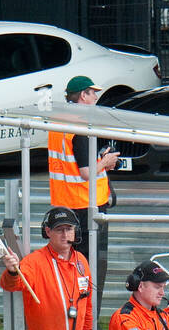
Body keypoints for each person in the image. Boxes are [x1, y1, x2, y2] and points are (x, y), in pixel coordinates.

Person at [48, 75, 119, 301]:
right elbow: (86, 172)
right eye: (92, 92)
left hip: (65, 205)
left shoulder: (58, 121)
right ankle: (88, 321)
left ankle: (72, 310)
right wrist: (105, 163)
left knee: (70, 264)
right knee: (91, 268)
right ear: (82, 96)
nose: (96, 97)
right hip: (86, 207)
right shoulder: (81, 125)